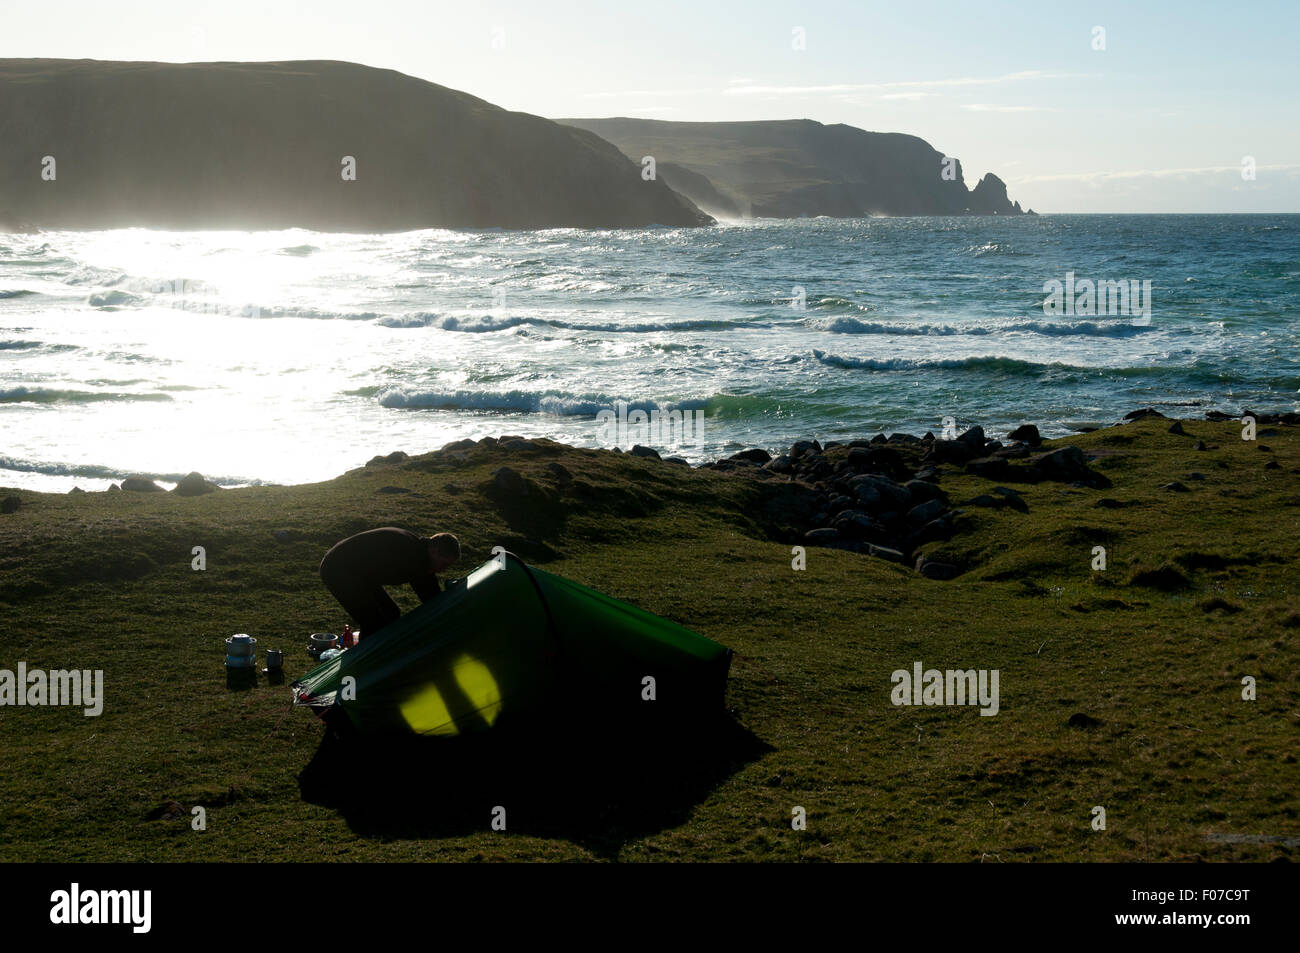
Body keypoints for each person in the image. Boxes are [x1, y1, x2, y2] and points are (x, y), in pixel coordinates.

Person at [319, 528, 460, 641]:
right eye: (444, 564)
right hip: (337, 569)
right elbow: (428, 593)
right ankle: (363, 666)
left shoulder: (418, 549)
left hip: (360, 572)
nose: (443, 570)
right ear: (434, 551)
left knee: (391, 613)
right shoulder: (412, 556)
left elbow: (429, 592)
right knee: (373, 623)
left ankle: (375, 657)